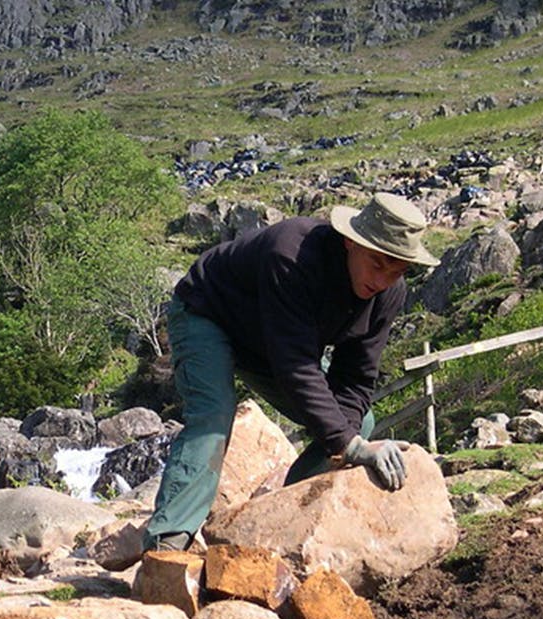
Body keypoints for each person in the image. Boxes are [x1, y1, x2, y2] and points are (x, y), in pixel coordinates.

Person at [142, 193, 440, 552]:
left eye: (397, 271)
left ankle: (281, 518)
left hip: (271, 341)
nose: (383, 280)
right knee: (213, 414)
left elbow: (357, 378)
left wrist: (350, 443)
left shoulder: (389, 294)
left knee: (356, 423)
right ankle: (168, 543)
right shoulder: (292, 254)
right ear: (350, 242)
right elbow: (295, 367)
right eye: (377, 264)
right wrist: (353, 448)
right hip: (208, 314)